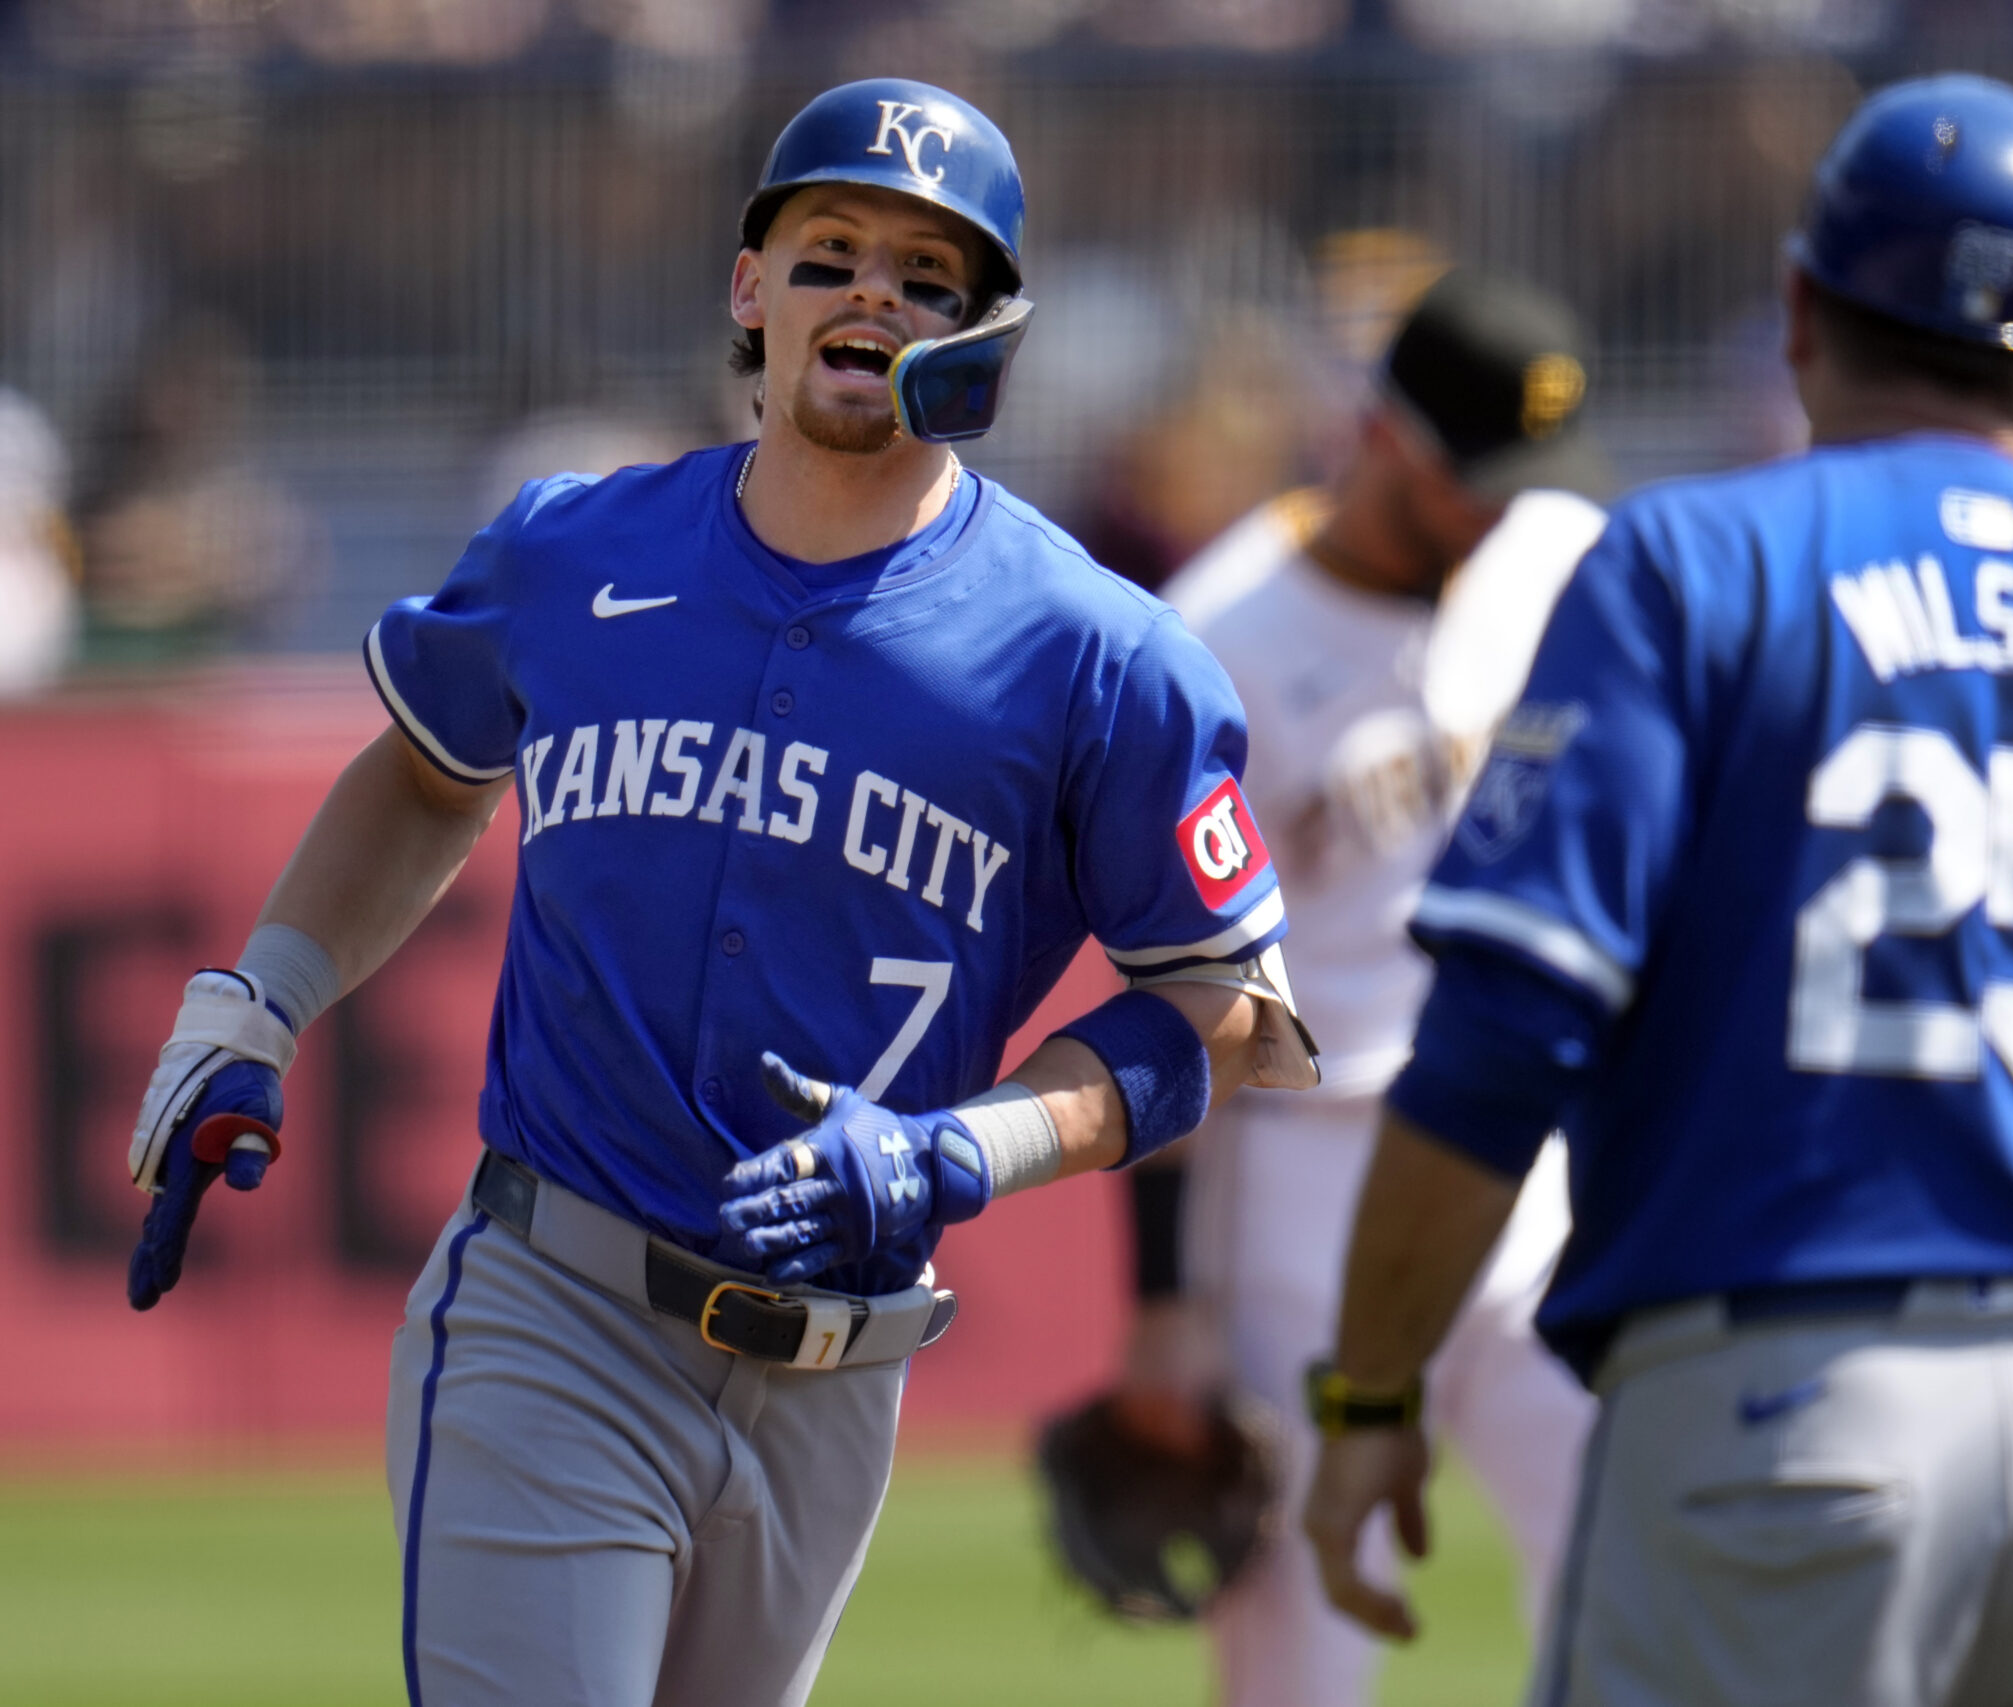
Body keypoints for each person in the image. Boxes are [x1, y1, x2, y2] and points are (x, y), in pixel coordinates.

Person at [119, 78, 1316, 1707]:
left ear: (989, 339)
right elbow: (422, 770)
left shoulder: (1100, 657)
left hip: (841, 1372)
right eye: (829, 252)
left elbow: (1228, 1015)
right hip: (557, 1309)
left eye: (929, 273)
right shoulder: (570, 551)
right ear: (750, 290)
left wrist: (972, 1147)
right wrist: (256, 996)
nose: (872, 294)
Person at [1301, 74, 2013, 1707]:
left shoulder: (1686, 573)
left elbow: (1500, 1039)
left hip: (1783, 1412)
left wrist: (1371, 1400)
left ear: (1801, 303)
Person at [1128, 271, 1608, 1706]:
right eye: (1479, 478)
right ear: (1385, 437)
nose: (1506, 511)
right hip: (1304, 1194)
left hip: (1532, 1166)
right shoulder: (1213, 639)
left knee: (1639, 1579)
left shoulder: (1556, 554)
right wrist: (1164, 1303)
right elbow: (1171, 992)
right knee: (1296, 1662)